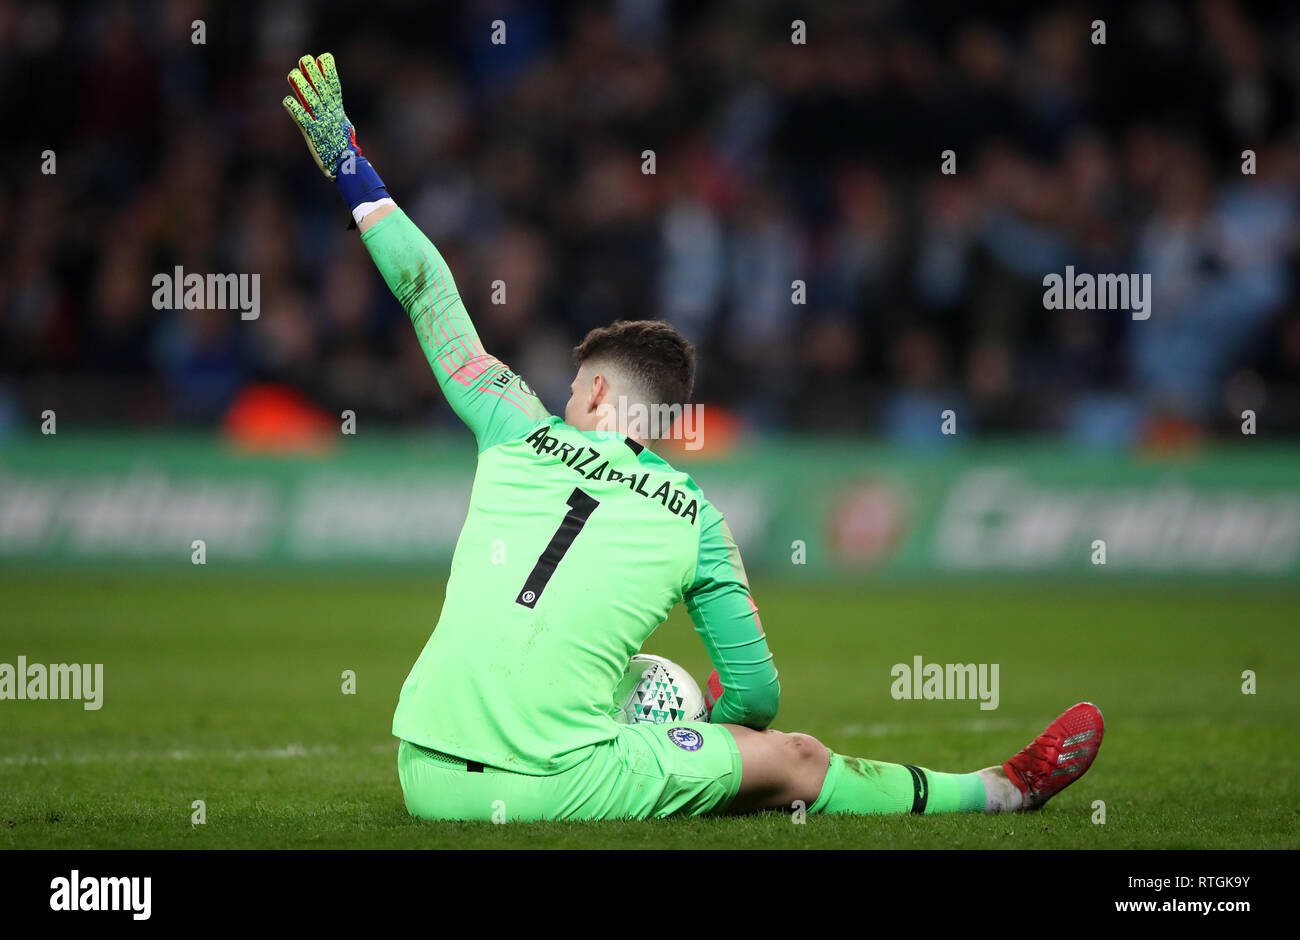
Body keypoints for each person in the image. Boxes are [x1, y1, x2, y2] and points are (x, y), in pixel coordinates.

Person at [283, 53, 1104, 821]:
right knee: (792, 757)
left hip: (424, 774)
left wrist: (353, 169)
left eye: (573, 387)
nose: (566, 398)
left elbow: (431, 294)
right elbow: (756, 698)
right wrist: (705, 722)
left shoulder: (512, 426)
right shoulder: (694, 514)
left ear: (598, 389)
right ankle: (997, 790)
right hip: (558, 785)